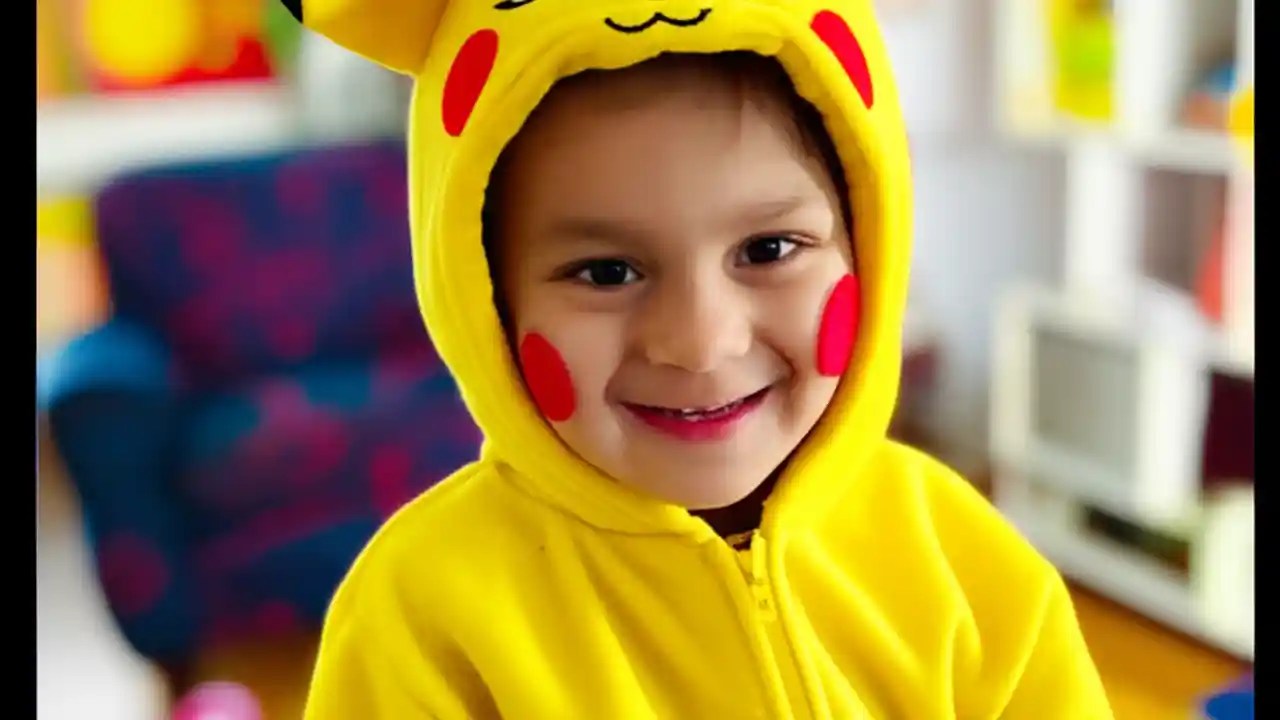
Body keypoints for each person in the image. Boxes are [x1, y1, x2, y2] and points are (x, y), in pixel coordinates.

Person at [280, 0, 1114, 716]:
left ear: (869, 242)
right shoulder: (424, 614)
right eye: (607, 273)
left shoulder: (968, 566)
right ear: (486, 302)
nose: (701, 340)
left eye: (769, 248)